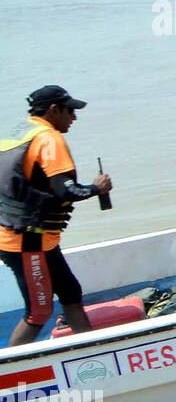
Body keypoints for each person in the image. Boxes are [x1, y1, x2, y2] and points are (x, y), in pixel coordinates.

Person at [0, 85, 113, 347]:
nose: (74, 118)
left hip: (34, 237)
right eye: (70, 111)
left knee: (71, 294)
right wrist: (98, 188)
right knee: (38, 313)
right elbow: (66, 191)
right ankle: (8, 371)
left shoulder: (17, 133)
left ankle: (91, 351)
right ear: (54, 110)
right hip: (28, 243)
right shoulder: (49, 138)